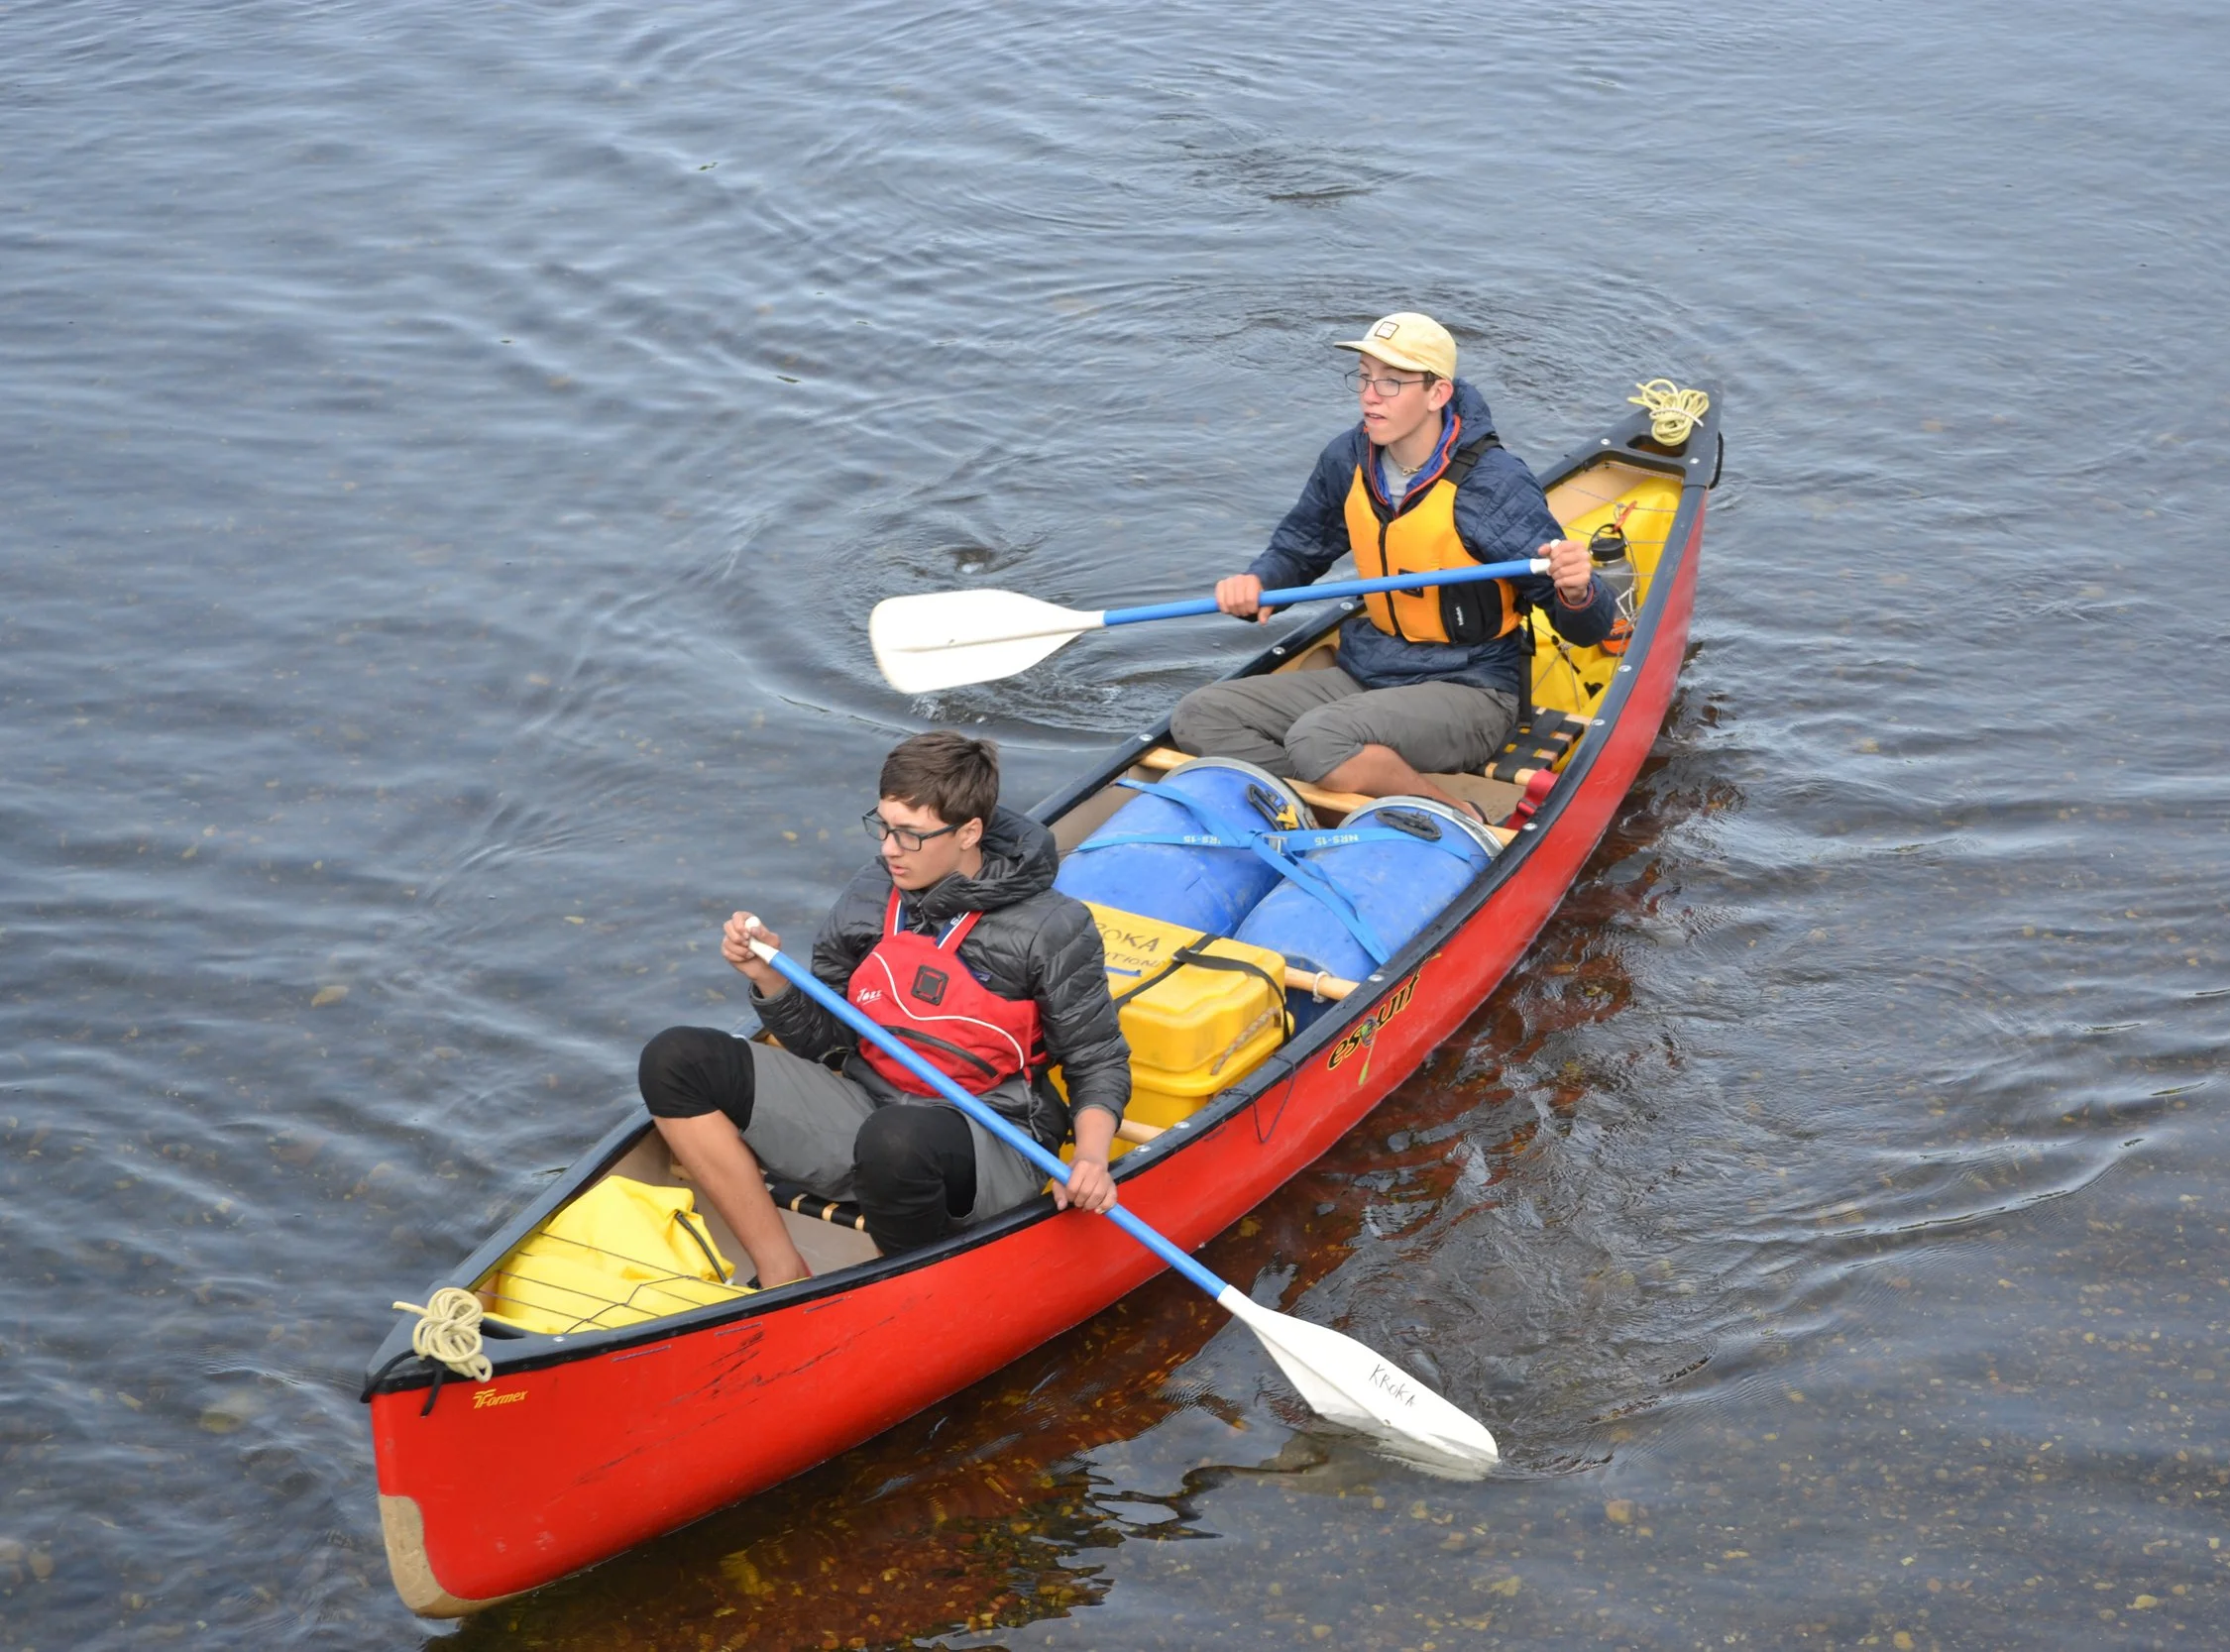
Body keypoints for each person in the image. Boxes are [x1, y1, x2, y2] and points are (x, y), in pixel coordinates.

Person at [635, 731, 1131, 1284]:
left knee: (895, 1140)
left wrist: (1090, 1157)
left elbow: (1097, 1061)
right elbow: (827, 1044)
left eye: (911, 836)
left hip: (989, 1130)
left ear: (969, 832)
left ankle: (910, 1287)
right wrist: (769, 979)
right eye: (885, 827)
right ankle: (781, 1270)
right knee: (674, 1059)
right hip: (865, 1102)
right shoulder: (871, 894)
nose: (888, 849)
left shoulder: (1054, 927)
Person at [1170, 312, 1618, 818]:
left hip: (1470, 689)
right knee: (1200, 715)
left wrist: (1577, 591)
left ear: (1437, 393)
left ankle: (1452, 812)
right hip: (1371, 667)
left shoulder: (1492, 484)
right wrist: (1259, 581)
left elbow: (1587, 627)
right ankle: (1322, 795)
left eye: (1390, 382)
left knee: (1318, 738)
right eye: (1363, 376)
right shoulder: (1348, 458)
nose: (1369, 395)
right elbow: (1301, 545)